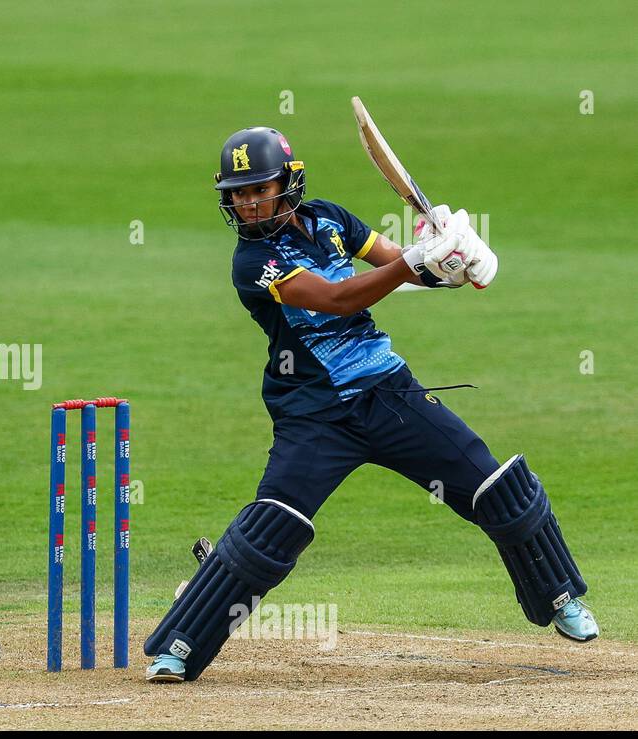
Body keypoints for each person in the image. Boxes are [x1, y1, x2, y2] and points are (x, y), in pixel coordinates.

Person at [144, 127, 597, 683]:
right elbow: (337, 300)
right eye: (237, 193)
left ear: (288, 183)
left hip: (389, 394)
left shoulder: (331, 218)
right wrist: (417, 261)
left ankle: (560, 599)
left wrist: (453, 260)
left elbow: (395, 267)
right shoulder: (251, 262)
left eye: (257, 188)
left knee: (493, 485)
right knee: (273, 527)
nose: (246, 202)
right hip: (314, 415)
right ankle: (182, 644)